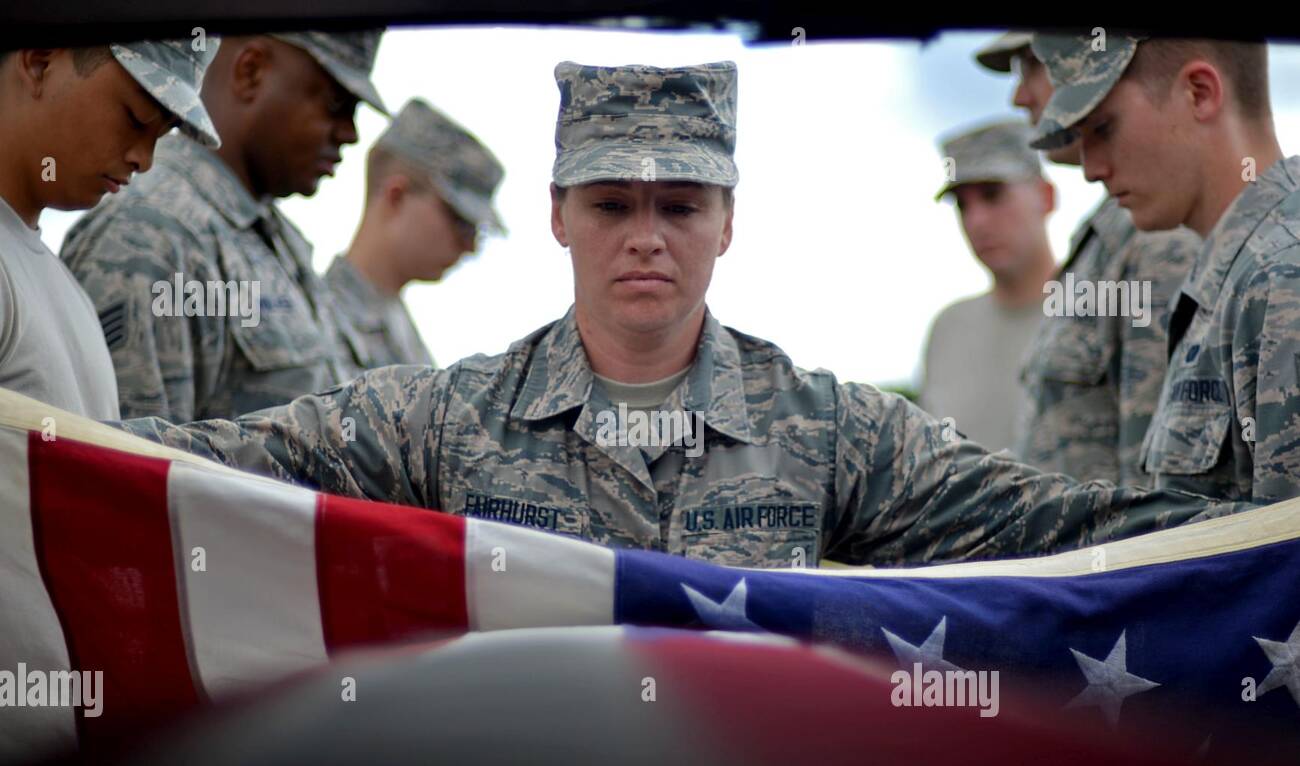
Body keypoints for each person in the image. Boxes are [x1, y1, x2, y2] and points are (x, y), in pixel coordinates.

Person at [118, 60, 1242, 569]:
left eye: (679, 205)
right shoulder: (448, 419)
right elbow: (203, 465)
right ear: (559, 217)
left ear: (727, 222)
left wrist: (1254, 544)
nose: (645, 235)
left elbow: (1058, 526)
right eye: (611, 204)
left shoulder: (825, 429)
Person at [61, 30, 388, 423]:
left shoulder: (270, 237)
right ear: (250, 71)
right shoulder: (151, 238)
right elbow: (131, 469)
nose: (350, 134)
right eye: (336, 103)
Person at [1030, 31, 1300, 505]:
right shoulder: (1236, 276)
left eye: (1104, 128)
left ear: (1200, 92)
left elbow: (1285, 564)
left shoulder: (1281, 278)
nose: (1089, 167)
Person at [974, 31, 1200, 484]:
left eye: (1034, 64)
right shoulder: (1110, 232)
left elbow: (1159, 492)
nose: (1019, 97)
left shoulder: (1155, 238)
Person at [0, 39, 218, 417]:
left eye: (162, 137)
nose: (145, 160)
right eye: (136, 118)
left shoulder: (70, 294)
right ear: (39, 64)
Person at [328, 98, 506, 371]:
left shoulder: (402, 332)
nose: (469, 246)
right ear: (396, 196)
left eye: (476, 232)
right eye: (460, 222)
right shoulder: (317, 315)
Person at [922, 119, 1055, 452]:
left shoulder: (1101, 312)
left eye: (993, 195)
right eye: (962, 205)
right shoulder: (949, 328)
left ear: (1046, 196)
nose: (976, 221)